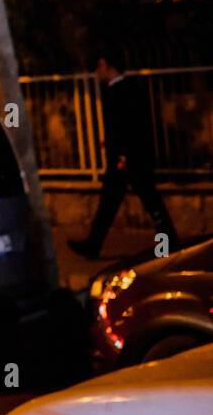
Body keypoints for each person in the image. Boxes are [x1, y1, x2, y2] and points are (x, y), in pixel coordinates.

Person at [70, 47, 177, 259]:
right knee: (118, 203)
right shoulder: (129, 88)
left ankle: (168, 244)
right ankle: (93, 245)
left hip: (127, 160)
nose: (96, 74)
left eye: (97, 68)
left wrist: (122, 155)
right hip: (129, 157)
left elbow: (128, 126)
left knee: (146, 203)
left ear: (104, 64)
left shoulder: (118, 91)